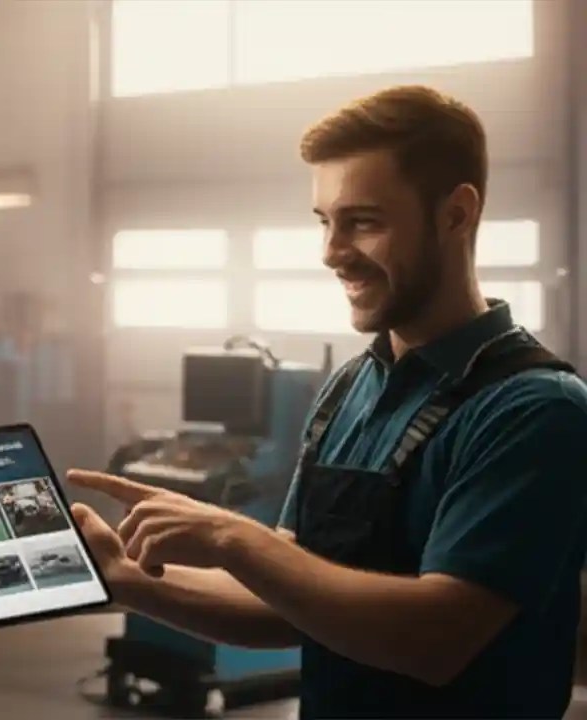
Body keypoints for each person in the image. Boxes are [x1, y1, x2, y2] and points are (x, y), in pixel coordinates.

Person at [69, 85, 587, 719]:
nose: (332, 252)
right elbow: (284, 603)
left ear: (457, 214)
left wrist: (235, 539)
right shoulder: (349, 388)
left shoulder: (535, 410)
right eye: (325, 222)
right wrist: (120, 577)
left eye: (363, 221)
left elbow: (438, 639)